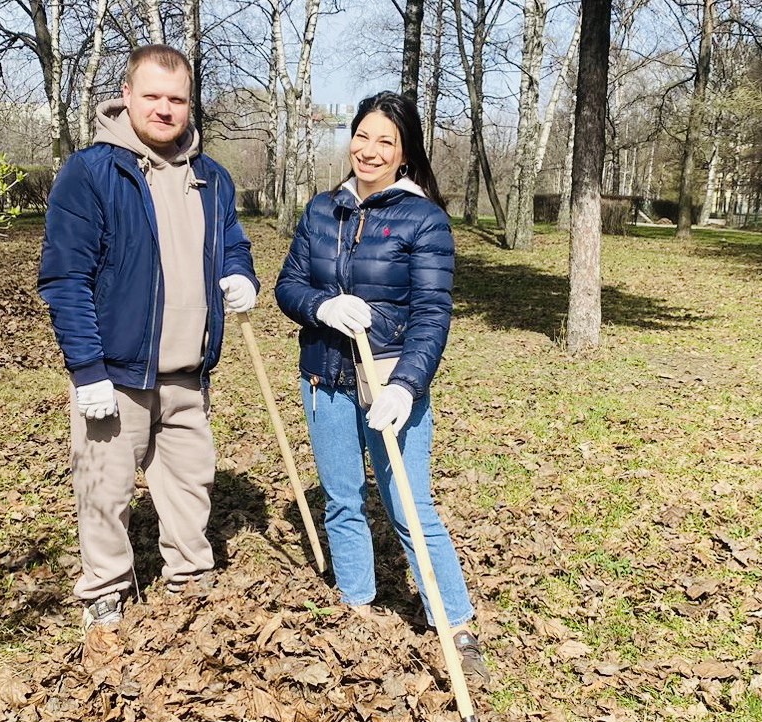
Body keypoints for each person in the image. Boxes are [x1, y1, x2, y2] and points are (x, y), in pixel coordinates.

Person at [38, 44, 259, 631]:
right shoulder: (91, 172)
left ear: (191, 105)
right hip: (117, 373)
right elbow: (65, 278)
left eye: (177, 99)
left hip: (189, 370)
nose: (165, 109)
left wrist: (240, 273)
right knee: (106, 490)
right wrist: (87, 370)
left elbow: (230, 241)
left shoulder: (212, 178)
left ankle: (189, 575)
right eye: (153, 96)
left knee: (192, 482)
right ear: (127, 96)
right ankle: (105, 588)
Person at [274, 91, 489, 684]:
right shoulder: (322, 209)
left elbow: (432, 313)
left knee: (408, 507)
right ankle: (356, 604)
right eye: (362, 136)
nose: (369, 151)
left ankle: (456, 625)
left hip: (389, 383)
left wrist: (407, 385)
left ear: (404, 154)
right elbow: (288, 285)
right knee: (342, 498)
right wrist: (321, 306)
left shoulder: (424, 220)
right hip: (325, 378)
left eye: (385, 142)